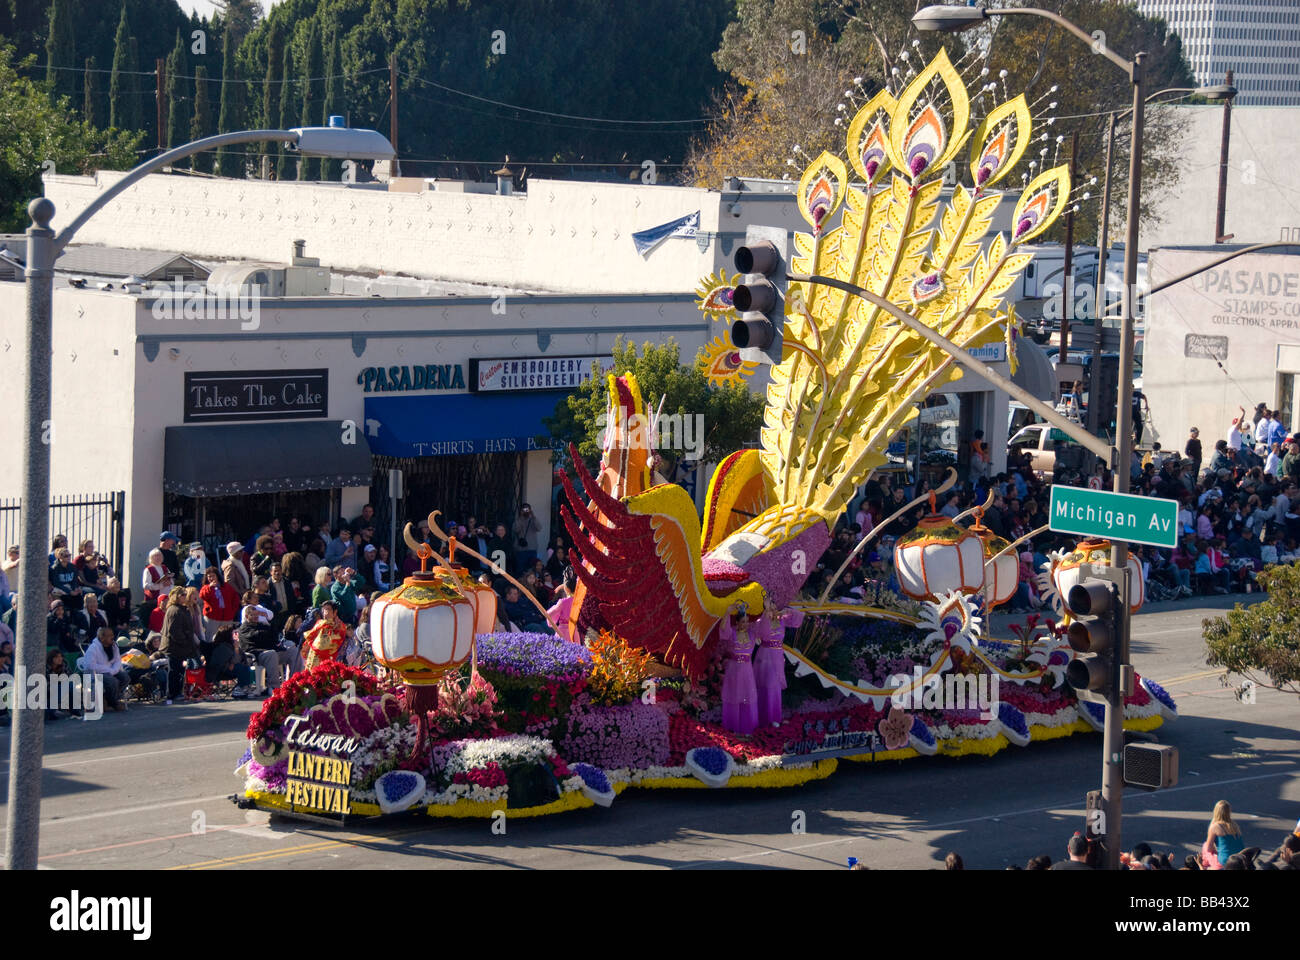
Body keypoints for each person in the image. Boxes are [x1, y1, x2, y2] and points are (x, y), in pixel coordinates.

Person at [719, 603, 759, 735]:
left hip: (747, 670)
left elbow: (765, 626)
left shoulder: (752, 635)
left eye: (747, 621)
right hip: (734, 670)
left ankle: (746, 726)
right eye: (743, 621)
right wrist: (727, 613)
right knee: (734, 695)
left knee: (747, 696)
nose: (745, 624)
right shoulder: (733, 633)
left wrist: (769, 609)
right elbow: (723, 630)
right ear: (737, 622)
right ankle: (733, 726)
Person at [159, 587, 199, 702]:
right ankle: (172, 694)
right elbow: (174, 631)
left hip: (181, 647)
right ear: (176, 596)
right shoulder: (174, 610)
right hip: (173, 647)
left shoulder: (182, 609)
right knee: (174, 671)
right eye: (182, 594)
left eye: (185, 594)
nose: (184, 596)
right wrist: (185, 642)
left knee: (180, 670)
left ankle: (178, 692)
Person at [83, 626, 127, 712]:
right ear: (102, 638)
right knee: (113, 681)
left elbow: (118, 660)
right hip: (97, 673)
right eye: (109, 635)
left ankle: (108, 698)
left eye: (112, 635)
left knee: (125, 677)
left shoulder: (114, 646)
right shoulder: (93, 648)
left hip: (111, 671)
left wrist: (113, 670)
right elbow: (90, 666)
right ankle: (113, 702)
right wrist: (108, 670)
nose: (112, 637)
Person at [206, 625, 256, 698]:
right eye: (233, 634)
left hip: (232, 668)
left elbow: (238, 660)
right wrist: (235, 650)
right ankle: (239, 688)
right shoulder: (222, 647)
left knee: (246, 668)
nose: (235, 636)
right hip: (221, 671)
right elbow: (221, 663)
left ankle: (245, 687)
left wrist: (236, 649)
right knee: (241, 668)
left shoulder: (231, 645)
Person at [302, 600, 348, 669]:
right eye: (324, 610)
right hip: (313, 656)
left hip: (328, 658)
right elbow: (310, 637)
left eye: (328, 610)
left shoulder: (339, 626)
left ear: (335, 612)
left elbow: (335, 642)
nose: (325, 613)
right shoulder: (320, 623)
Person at [1203, 800, 1245, 869]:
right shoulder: (1234, 825)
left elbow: (1208, 849)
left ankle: (1208, 867)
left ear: (1216, 811)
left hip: (1226, 860)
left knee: (1205, 846)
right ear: (1229, 811)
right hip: (1240, 857)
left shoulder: (1215, 826)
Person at [512, 503, 542, 572]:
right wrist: (521, 517)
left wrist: (533, 516)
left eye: (527, 509)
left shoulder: (533, 519)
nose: (526, 511)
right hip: (521, 550)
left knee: (532, 569)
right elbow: (515, 529)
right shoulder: (519, 520)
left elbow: (539, 528)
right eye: (524, 509)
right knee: (520, 570)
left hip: (532, 549)